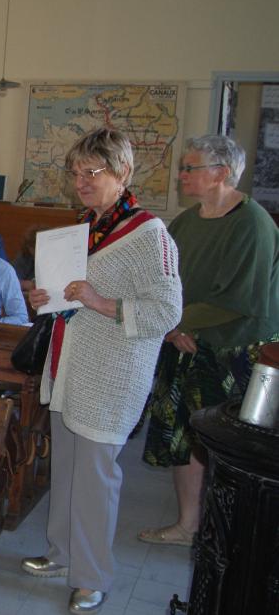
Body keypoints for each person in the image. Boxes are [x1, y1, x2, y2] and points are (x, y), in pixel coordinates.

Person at [20, 128, 181, 614]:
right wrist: (41, 298)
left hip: (110, 374)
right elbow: (65, 297)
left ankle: (93, 577)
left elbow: (167, 312)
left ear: (123, 172)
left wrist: (99, 300)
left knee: (95, 479)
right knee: (66, 468)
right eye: (76, 173)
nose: (81, 182)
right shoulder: (82, 227)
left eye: (93, 172)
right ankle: (62, 553)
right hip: (68, 365)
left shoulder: (149, 234)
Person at [139, 135, 279, 547]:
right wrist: (171, 326)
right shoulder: (187, 219)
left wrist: (177, 323)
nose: (181, 176)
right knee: (182, 437)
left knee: (226, 445)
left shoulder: (252, 223)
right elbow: (162, 276)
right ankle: (188, 525)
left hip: (234, 352)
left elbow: (241, 299)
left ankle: (228, 535)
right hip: (183, 342)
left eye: (189, 168)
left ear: (220, 173)